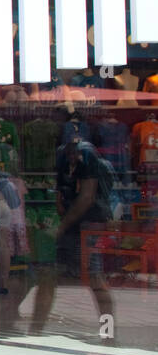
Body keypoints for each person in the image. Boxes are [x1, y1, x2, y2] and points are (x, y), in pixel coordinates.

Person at [31, 137, 116, 335]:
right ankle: (107, 334)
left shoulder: (86, 155)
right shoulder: (67, 156)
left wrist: (61, 226)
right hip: (75, 223)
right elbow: (65, 196)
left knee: (93, 277)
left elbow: (86, 197)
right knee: (51, 274)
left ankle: (108, 334)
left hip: (86, 224)